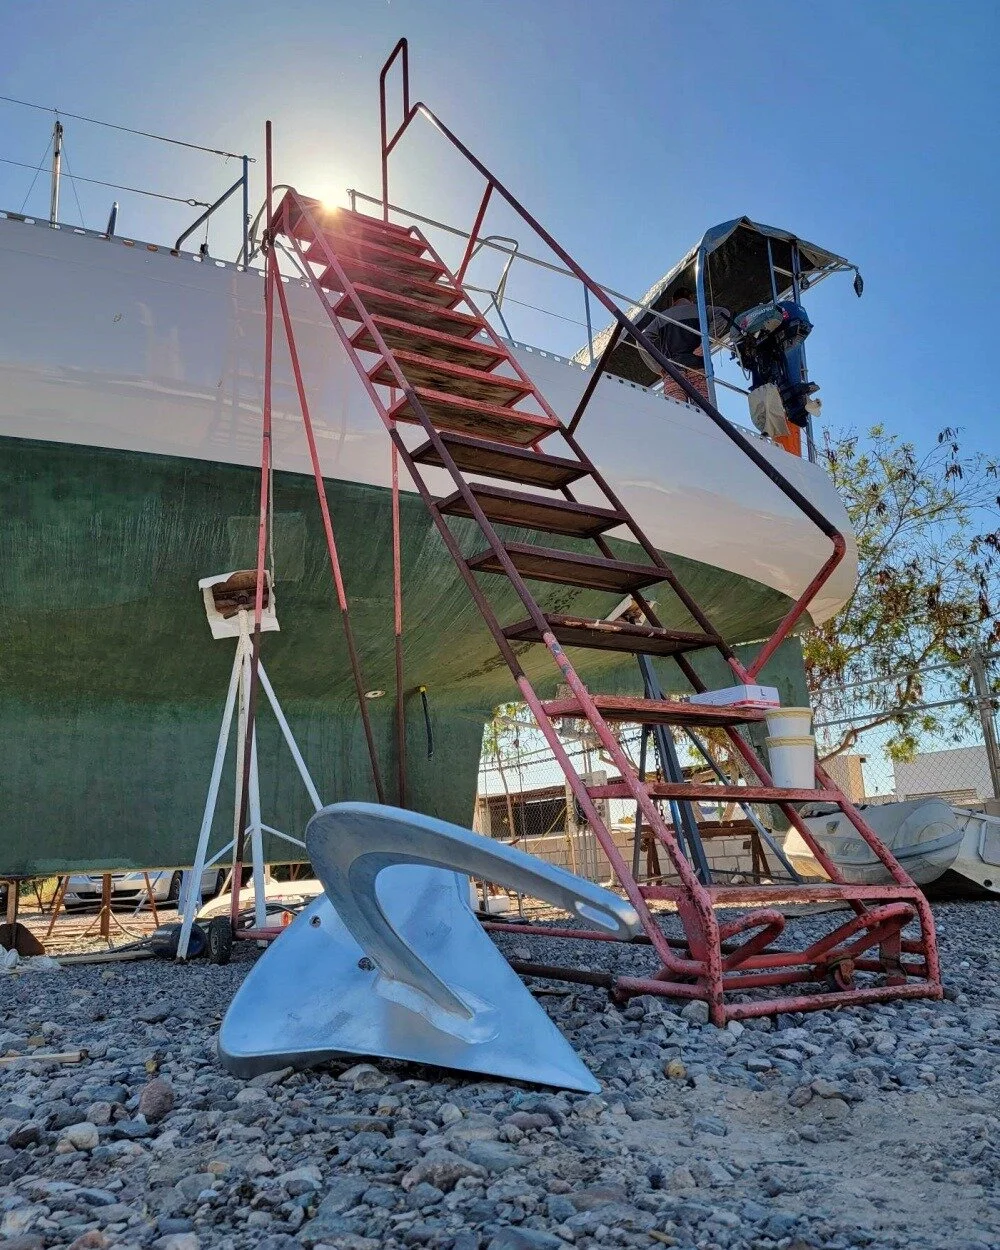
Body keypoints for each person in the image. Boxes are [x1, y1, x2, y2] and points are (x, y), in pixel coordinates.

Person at [640, 286, 728, 405]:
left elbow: (642, 339)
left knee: (676, 409)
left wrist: (658, 366)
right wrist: (705, 343)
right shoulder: (701, 310)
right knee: (703, 410)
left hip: (673, 370)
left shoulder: (662, 317)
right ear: (691, 298)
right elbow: (724, 313)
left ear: (673, 301)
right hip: (698, 367)